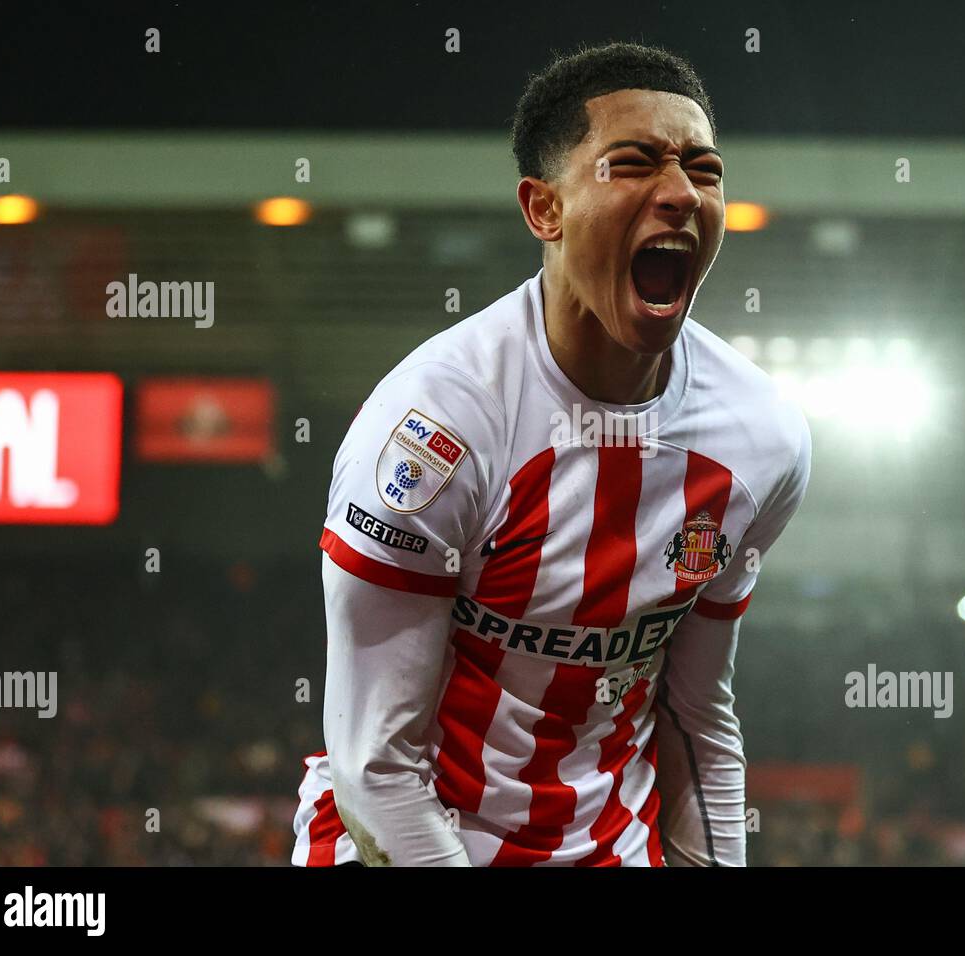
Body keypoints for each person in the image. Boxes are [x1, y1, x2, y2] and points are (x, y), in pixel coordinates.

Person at [292, 40, 811, 867]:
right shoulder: (434, 430)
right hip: (403, 833)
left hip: (610, 843)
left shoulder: (761, 438)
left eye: (704, 170)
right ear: (544, 209)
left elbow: (694, 711)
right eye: (634, 165)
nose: (680, 194)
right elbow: (377, 766)